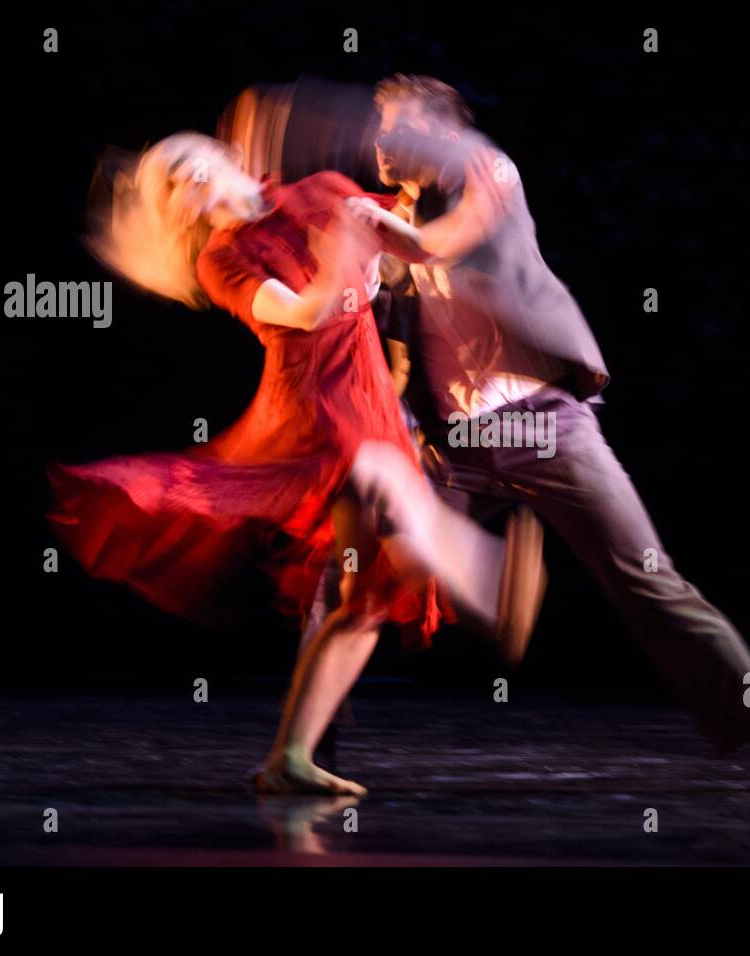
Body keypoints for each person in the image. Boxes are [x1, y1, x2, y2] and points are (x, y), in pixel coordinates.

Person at [333, 75, 750, 793]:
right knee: (356, 551)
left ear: (440, 129)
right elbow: (391, 342)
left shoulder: (487, 168)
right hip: (460, 442)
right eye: (375, 126)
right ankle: (312, 745)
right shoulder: (391, 213)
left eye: (394, 124)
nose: (377, 139)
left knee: (652, 582)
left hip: (544, 424)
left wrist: (375, 235)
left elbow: (435, 244)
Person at [47, 132, 545, 796]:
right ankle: (486, 581)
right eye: (172, 185)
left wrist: (462, 199)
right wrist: (345, 260)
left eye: (189, 161)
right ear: (178, 214)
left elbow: (412, 247)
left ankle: (290, 758)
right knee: (383, 486)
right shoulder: (222, 262)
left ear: (223, 155)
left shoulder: (323, 192)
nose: (188, 179)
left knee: (362, 598)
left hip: (368, 398)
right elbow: (307, 314)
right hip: (311, 413)